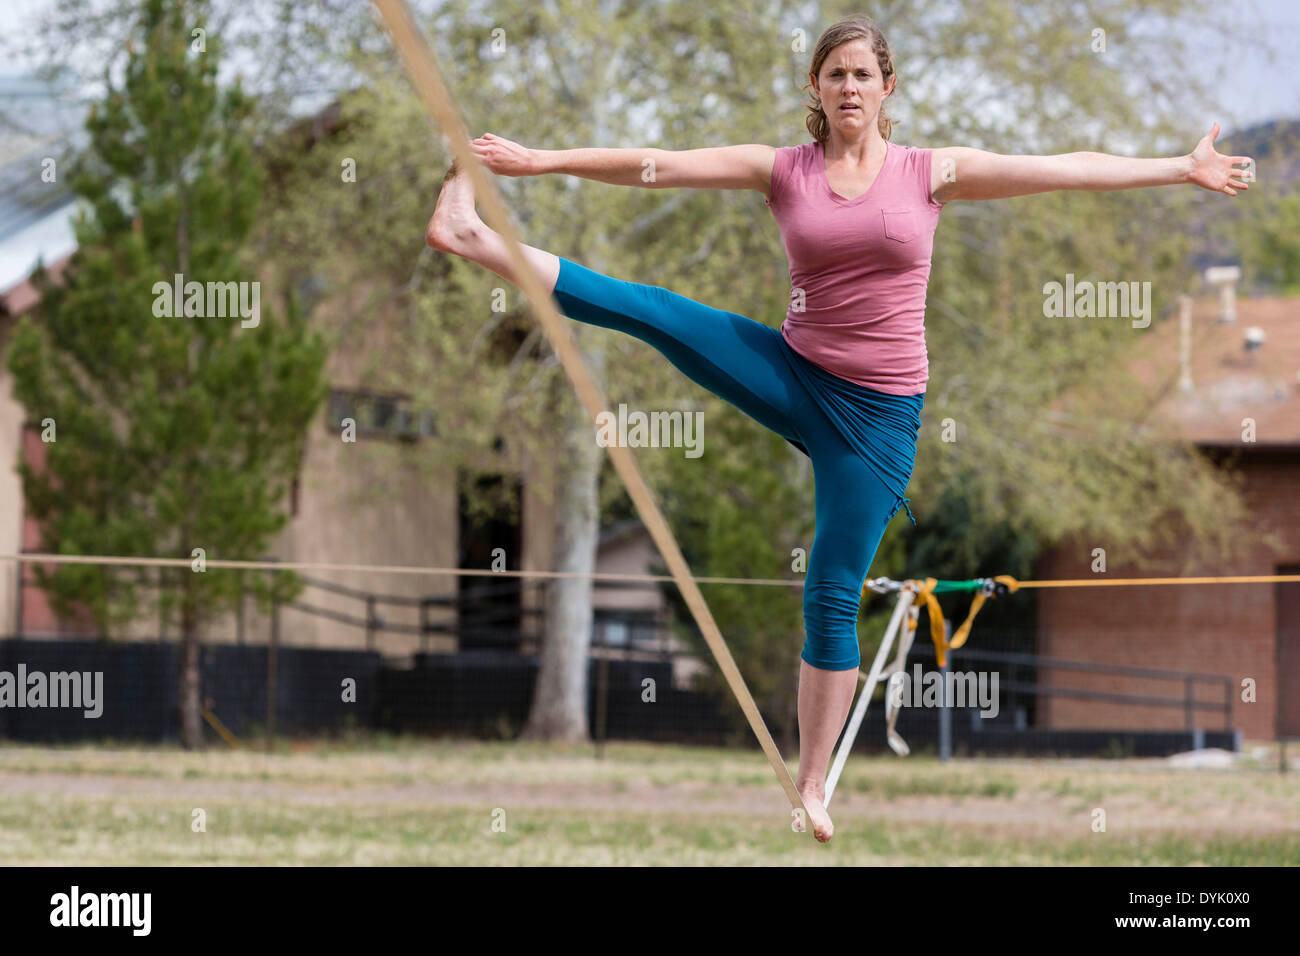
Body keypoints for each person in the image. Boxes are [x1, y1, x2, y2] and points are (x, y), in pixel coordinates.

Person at [424, 15, 1251, 842]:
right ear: (815, 88)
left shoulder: (932, 173)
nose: (849, 87)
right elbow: (657, 168)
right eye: (834, 75)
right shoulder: (783, 171)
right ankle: (473, 235)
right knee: (656, 312)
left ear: (888, 87)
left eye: (863, 74)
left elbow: (1065, 169)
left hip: (878, 422)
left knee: (830, 592)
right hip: (793, 372)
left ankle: (813, 784)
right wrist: (540, 161)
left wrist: (1179, 167)